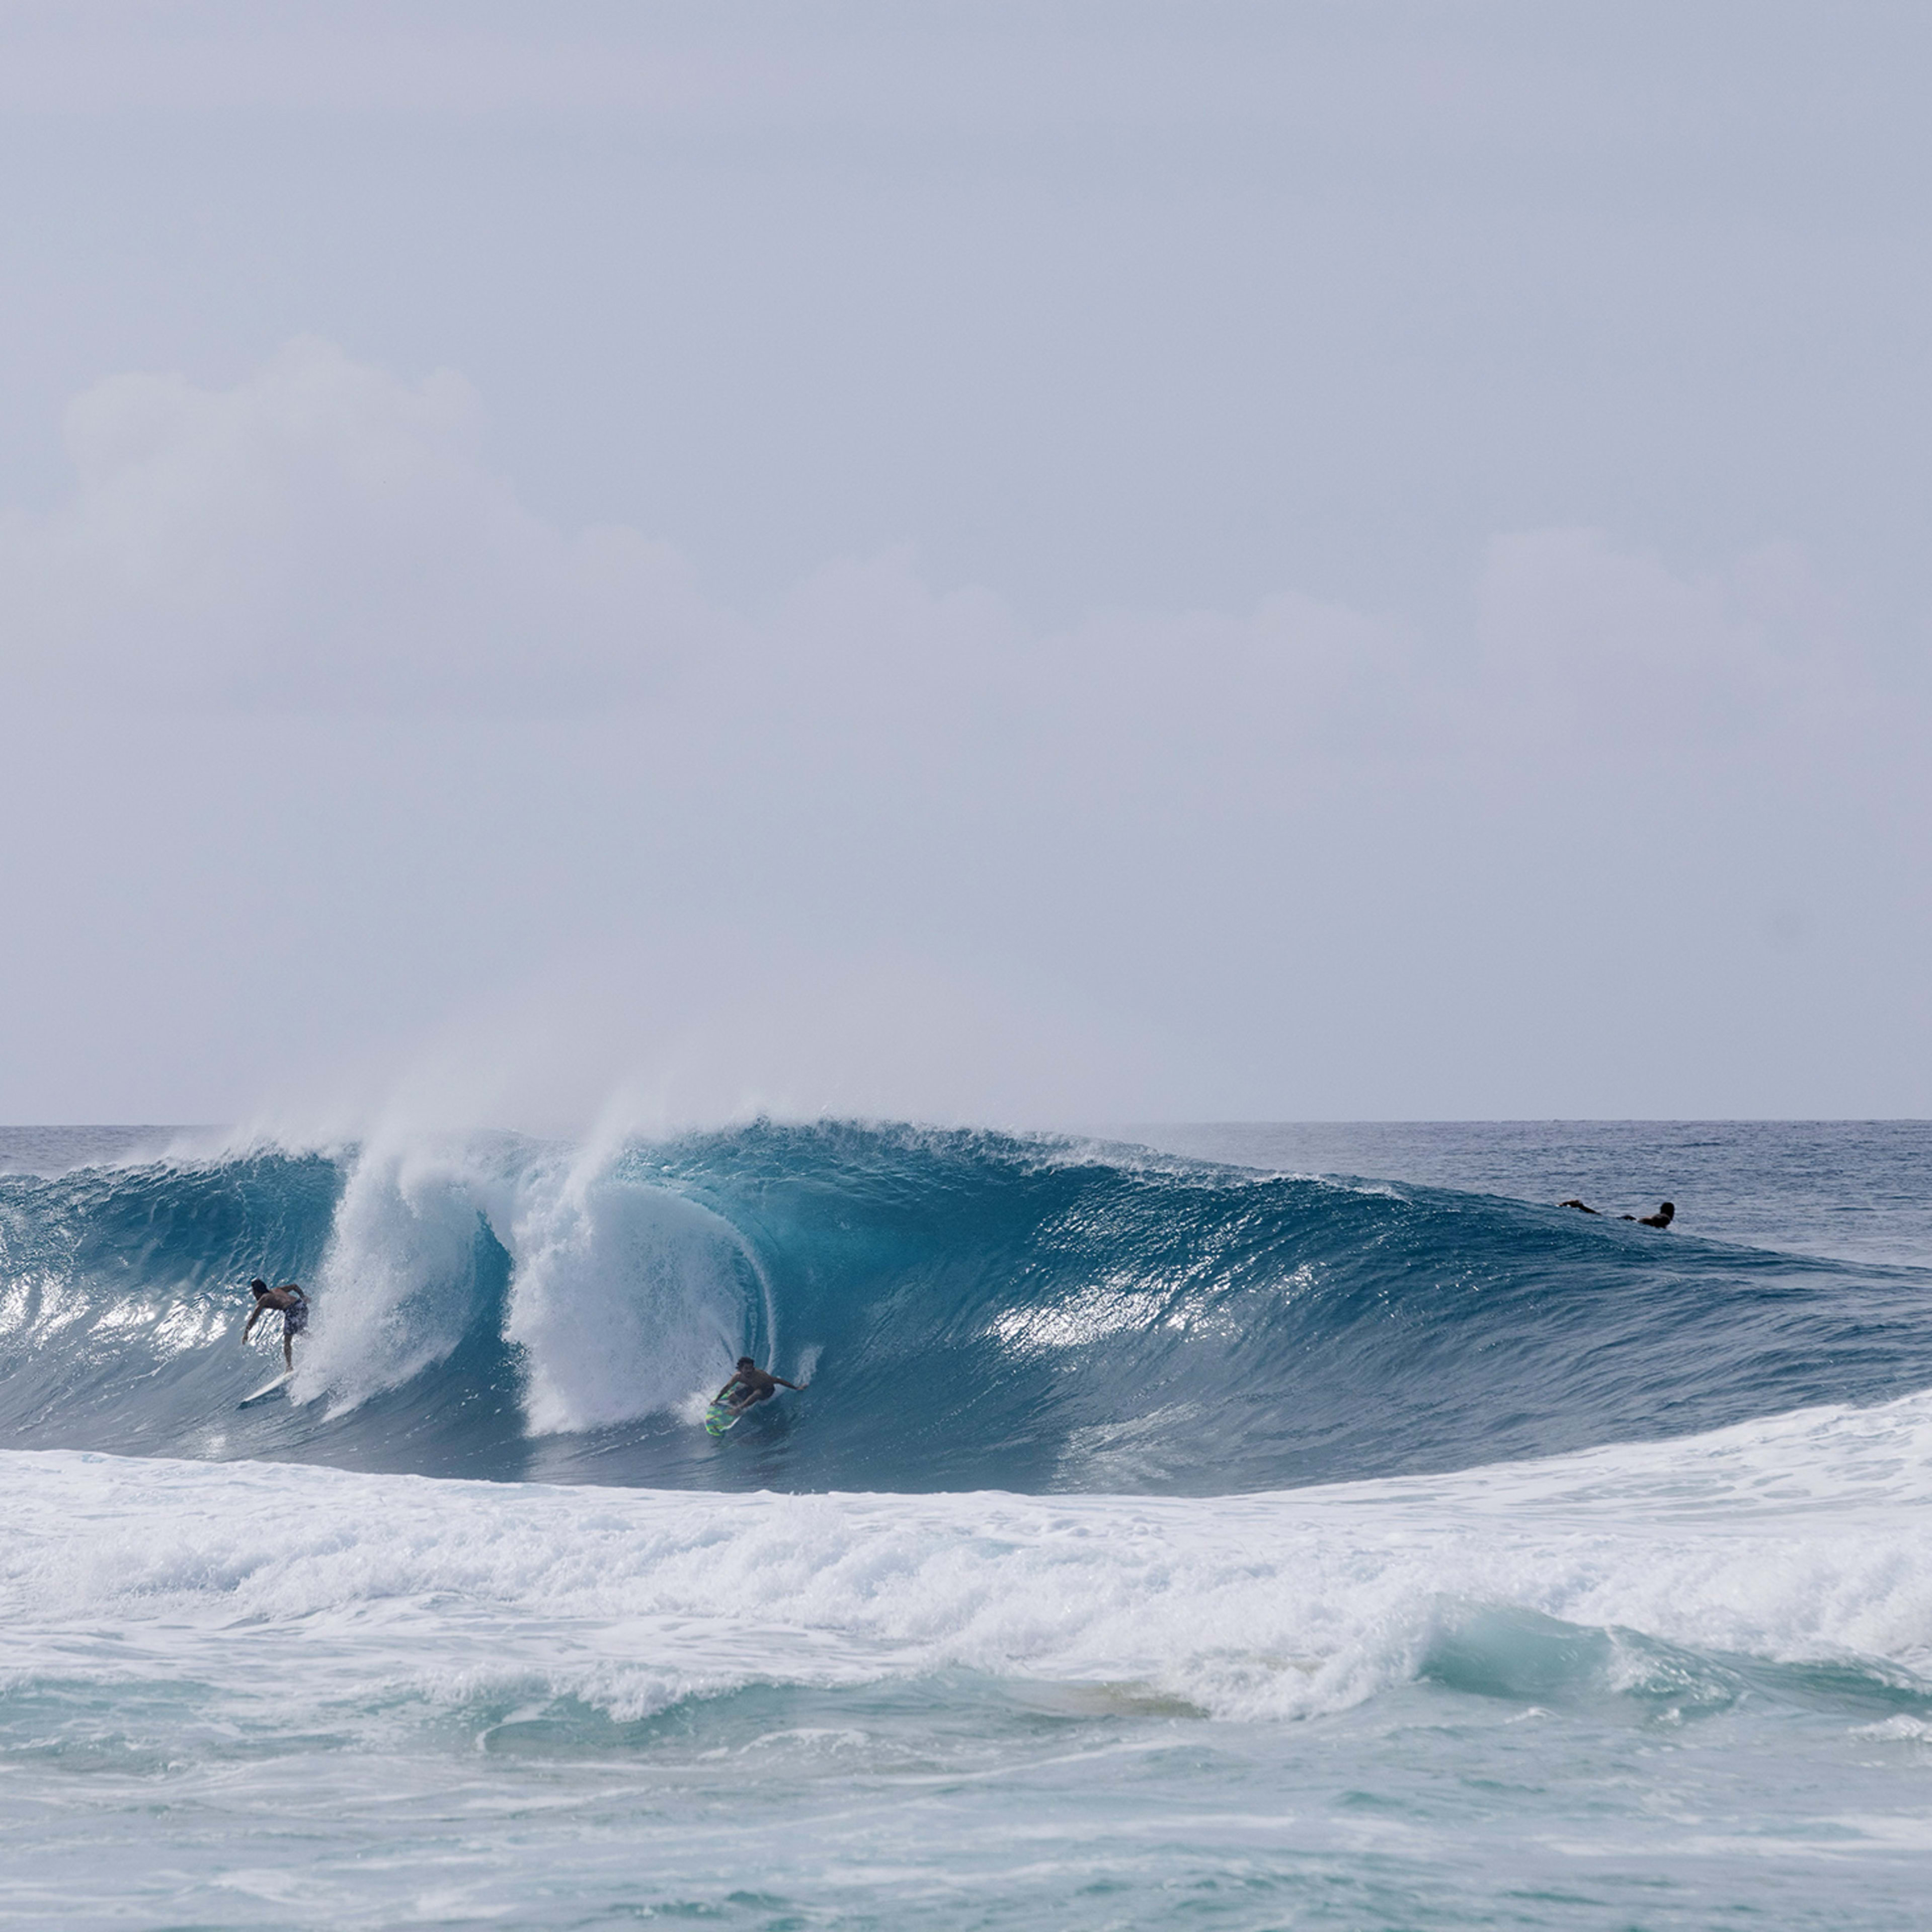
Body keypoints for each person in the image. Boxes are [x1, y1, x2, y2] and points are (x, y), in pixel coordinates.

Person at [243, 1277, 309, 1371]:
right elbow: (294, 1286)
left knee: (287, 1340)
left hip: (292, 1310)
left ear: (257, 1291)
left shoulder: (264, 1299)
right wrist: (303, 1297)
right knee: (299, 1330)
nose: (254, 1294)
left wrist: (246, 1332)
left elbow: (254, 1317)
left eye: (254, 1292)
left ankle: (289, 1367)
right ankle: (316, 1340)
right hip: (301, 1305)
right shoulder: (277, 1290)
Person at [713, 1356, 807, 1415]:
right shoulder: (738, 1376)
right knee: (731, 1397)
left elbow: (778, 1381)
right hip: (752, 1387)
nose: (749, 1371)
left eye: (751, 1368)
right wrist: (717, 1399)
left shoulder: (761, 1376)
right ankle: (740, 1399)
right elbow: (727, 1387)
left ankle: (738, 1409)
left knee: (757, 1393)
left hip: (767, 1391)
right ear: (741, 1369)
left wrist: (796, 1388)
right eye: (746, 1368)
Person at [1558, 1199, 1675, 1227]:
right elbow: (1658, 1218)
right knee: (1602, 1219)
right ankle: (1579, 1206)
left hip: (1631, 1220)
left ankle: (1580, 1206)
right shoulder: (1666, 1217)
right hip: (1632, 1222)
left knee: (1602, 1218)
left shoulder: (1663, 1216)